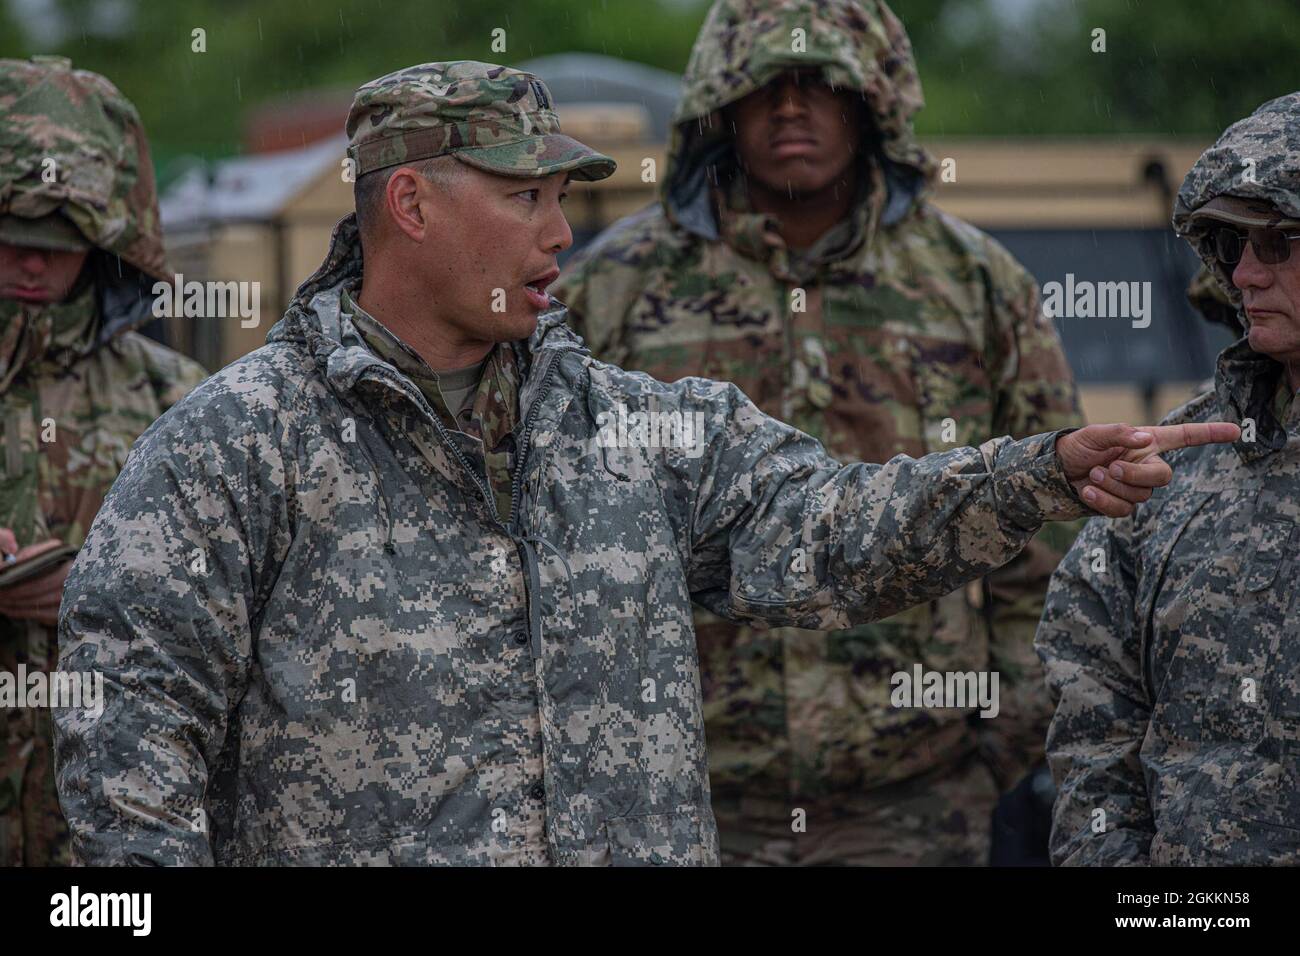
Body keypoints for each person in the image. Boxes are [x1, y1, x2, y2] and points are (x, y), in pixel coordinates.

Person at [53, 60, 1231, 866]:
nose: (561, 234)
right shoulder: (236, 441)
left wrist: (1037, 470)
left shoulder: (634, 430)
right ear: (408, 204)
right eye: (526, 197)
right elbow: (129, 723)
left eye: (562, 197)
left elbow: (831, 527)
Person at [552, 0, 1083, 864]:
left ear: (872, 100)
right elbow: (554, 524)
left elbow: (1051, 536)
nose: (791, 109)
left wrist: (1005, 739)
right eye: (764, 85)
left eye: (822, 84)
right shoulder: (613, 287)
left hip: (914, 798)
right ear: (720, 107)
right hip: (680, 796)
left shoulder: (975, 283)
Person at [1037, 91, 1300, 865]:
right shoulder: (1172, 465)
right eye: (1227, 244)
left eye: (1280, 241)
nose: (1244, 273)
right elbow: (1089, 699)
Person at [0, 55, 208, 866]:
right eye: (13, 236)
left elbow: (250, 607)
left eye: (63, 241)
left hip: (106, 831)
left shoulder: (179, 402)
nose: (33, 265)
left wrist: (99, 591)